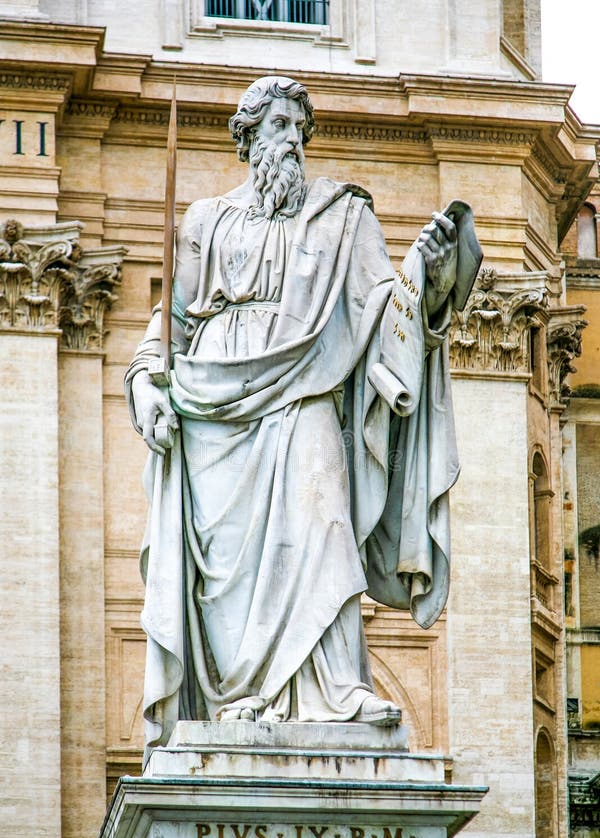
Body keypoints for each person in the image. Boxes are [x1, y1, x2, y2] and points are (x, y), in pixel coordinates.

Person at [126, 75, 480, 756]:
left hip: (308, 395)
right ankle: (240, 698)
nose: (291, 139)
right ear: (248, 137)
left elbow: (388, 309)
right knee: (224, 579)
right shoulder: (204, 221)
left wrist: (430, 273)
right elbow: (165, 330)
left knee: (325, 521)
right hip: (215, 417)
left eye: (298, 127)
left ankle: (336, 688)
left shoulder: (342, 216)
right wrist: (145, 387)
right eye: (277, 125)